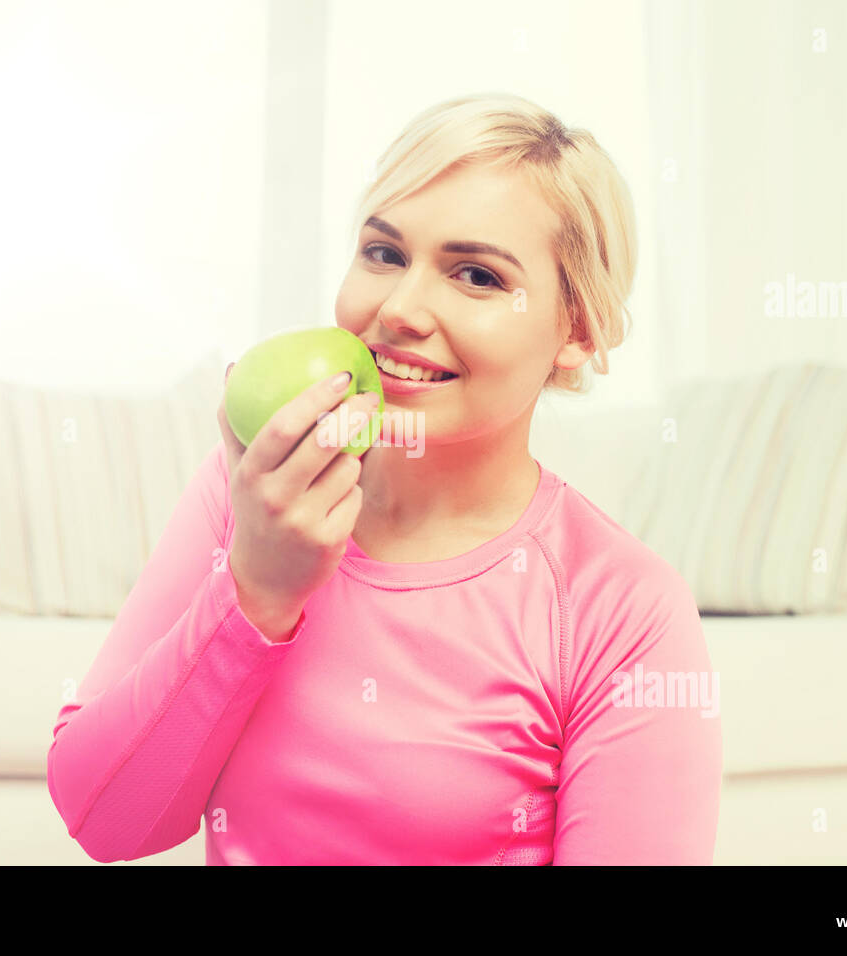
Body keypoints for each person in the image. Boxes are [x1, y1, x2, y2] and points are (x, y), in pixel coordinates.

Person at [47, 92, 722, 865]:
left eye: (475, 275)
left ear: (577, 330)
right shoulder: (259, 499)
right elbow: (107, 822)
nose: (400, 309)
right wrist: (257, 590)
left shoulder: (622, 607)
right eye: (384, 254)